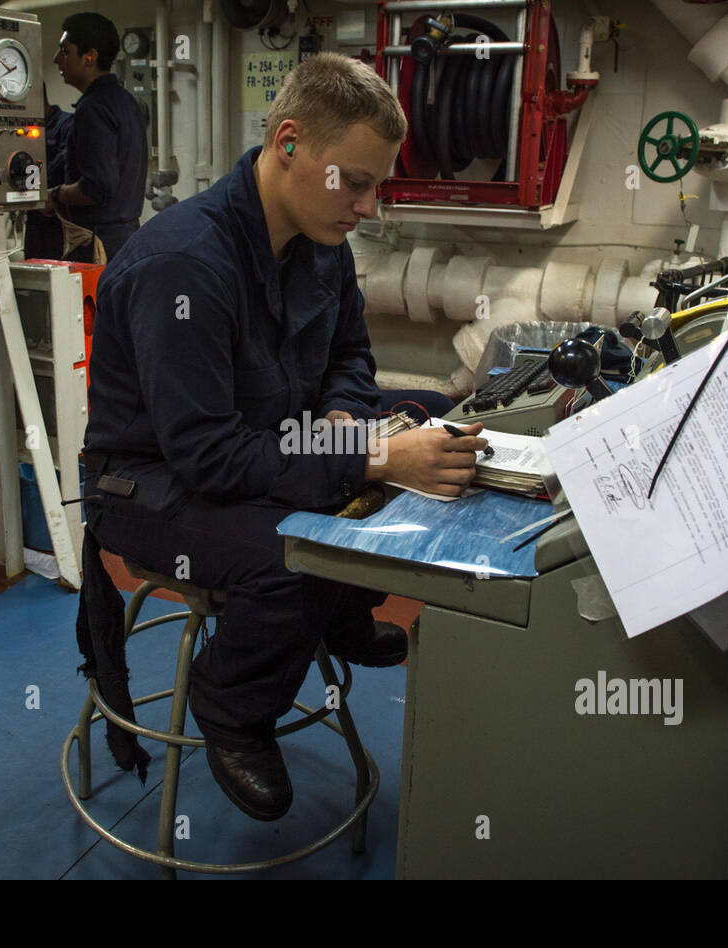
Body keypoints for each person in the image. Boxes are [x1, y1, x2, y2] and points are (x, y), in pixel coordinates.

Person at [77, 53, 487, 821]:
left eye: (376, 186)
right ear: (290, 142)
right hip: (151, 482)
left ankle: (337, 610)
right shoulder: (185, 265)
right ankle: (231, 698)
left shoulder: (320, 241)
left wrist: (342, 421)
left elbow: (350, 357)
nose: (367, 206)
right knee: (299, 552)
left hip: (268, 435)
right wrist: (364, 456)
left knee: (428, 412)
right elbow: (209, 455)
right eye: (356, 182)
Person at [43, 12, 147, 263]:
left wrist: (55, 195)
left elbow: (97, 187)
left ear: (90, 57)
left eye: (65, 51)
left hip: (99, 245)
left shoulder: (92, 109)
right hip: (126, 239)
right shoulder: (126, 101)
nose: (57, 60)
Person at [23, 95, 72, 260]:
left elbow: (65, 166)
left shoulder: (66, 125)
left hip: (59, 216)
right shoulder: (24, 129)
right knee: (33, 267)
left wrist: (45, 191)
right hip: (35, 216)